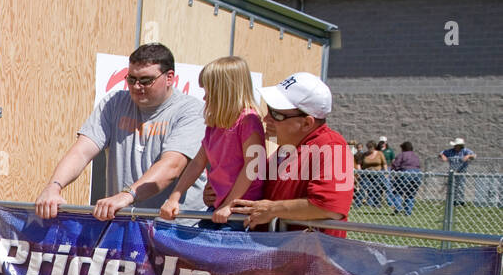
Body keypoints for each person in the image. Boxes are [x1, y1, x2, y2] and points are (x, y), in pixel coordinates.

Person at [34, 43, 204, 220]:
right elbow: (82, 151)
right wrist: (54, 186)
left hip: (177, 229)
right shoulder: (114, 103)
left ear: (169, 78)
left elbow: (172, 166)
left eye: (146, 80)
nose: (137, 86)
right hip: (128, 225)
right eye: (131, 79)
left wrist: (127, 195)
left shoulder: (190, 111)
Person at [228, 71, 354, 237]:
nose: (266, 119)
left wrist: (272, 210)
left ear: (307, 123)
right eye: (269, 110)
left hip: (311, 258)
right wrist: (224, 193)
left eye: (276, 114)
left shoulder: (333, 146)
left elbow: (329, 207)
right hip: (282, 255)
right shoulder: (286, 149)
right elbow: (259, 194)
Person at [158, 56, 265, 227]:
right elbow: (197, 162)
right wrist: (174, 197)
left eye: (208, 90)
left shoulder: (248, 120)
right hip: (218, 207)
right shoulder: (215, 124)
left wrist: (229, 204)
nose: (204, 97)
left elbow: (253, 166)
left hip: (239, 210)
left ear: (225, 91)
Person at [440, 138, 475, 208]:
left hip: (461, 171)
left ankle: (460, 202)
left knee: (460, 186)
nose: (455, 147)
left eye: (457, 145)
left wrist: (468, 156)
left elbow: (474, 156)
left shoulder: (465, 151)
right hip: (452, 171)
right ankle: (451, 201)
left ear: (460, 146)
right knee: (451, 186)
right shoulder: (450, 151)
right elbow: (442, 153)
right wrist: (442, 156)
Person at [390, 141, 421, 216]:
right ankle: (408, 212)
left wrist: (394, 171)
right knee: (410, 194)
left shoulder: (402, 155)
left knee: (398, 191)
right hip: (417, 174)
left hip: (405, 174)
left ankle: (398, 208)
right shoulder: (415, 155)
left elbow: (395, 165)